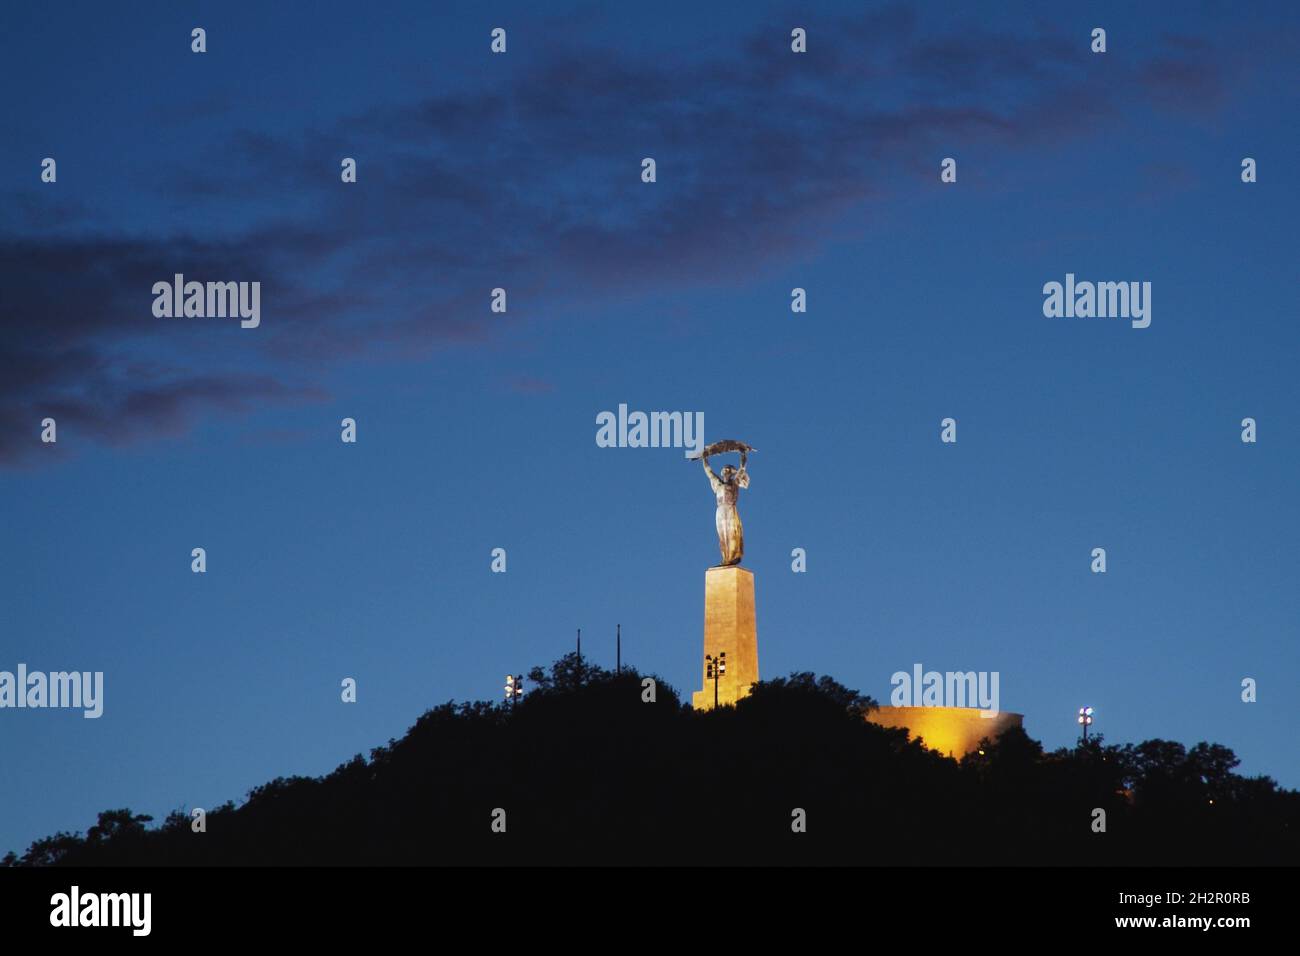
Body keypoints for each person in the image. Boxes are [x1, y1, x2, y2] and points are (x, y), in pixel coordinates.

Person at [702, 449, 749, 565]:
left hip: (730, 508)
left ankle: (733, 556)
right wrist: (704, 458)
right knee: (722, 534)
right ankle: (725, 558)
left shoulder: (735, 483)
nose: (726, 472)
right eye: (724, 471)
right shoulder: (718, 484)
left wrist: (743, 454)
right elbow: (708, 472)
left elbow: (742, 468)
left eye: (728, 471)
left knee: (732, 533)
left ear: (732, 473)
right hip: (720, 510)